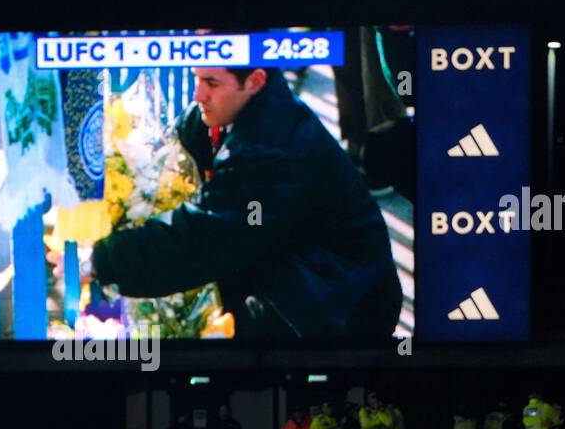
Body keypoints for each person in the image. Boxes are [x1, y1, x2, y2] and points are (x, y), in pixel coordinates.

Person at [89, 64, 401, 340]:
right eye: (196, 78)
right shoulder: (235, 110)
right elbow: (174, 162)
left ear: (254, 81)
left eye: (211, 84)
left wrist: (102, 261)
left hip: (340, 298)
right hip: (301, 266)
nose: (198, 95)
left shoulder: (271, 148)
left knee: (219, 338)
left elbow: (207, 237)